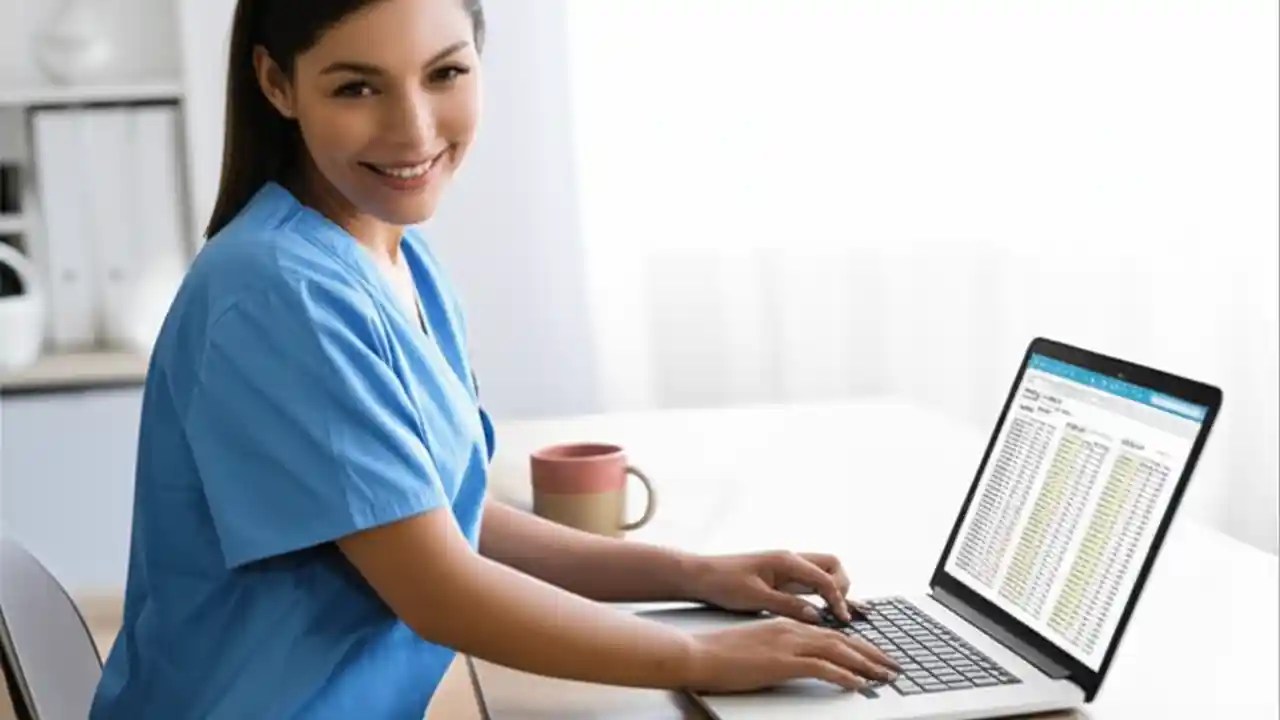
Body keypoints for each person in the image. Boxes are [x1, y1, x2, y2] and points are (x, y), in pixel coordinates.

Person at [88, 0, 899, 717]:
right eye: (357, 87)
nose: (413, 129)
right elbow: (440, 590)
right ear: (277, 84)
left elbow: (445, 518)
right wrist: (700, 657)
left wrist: (690, 574)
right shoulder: (280, 295)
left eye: (444, 73)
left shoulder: (391, 256)